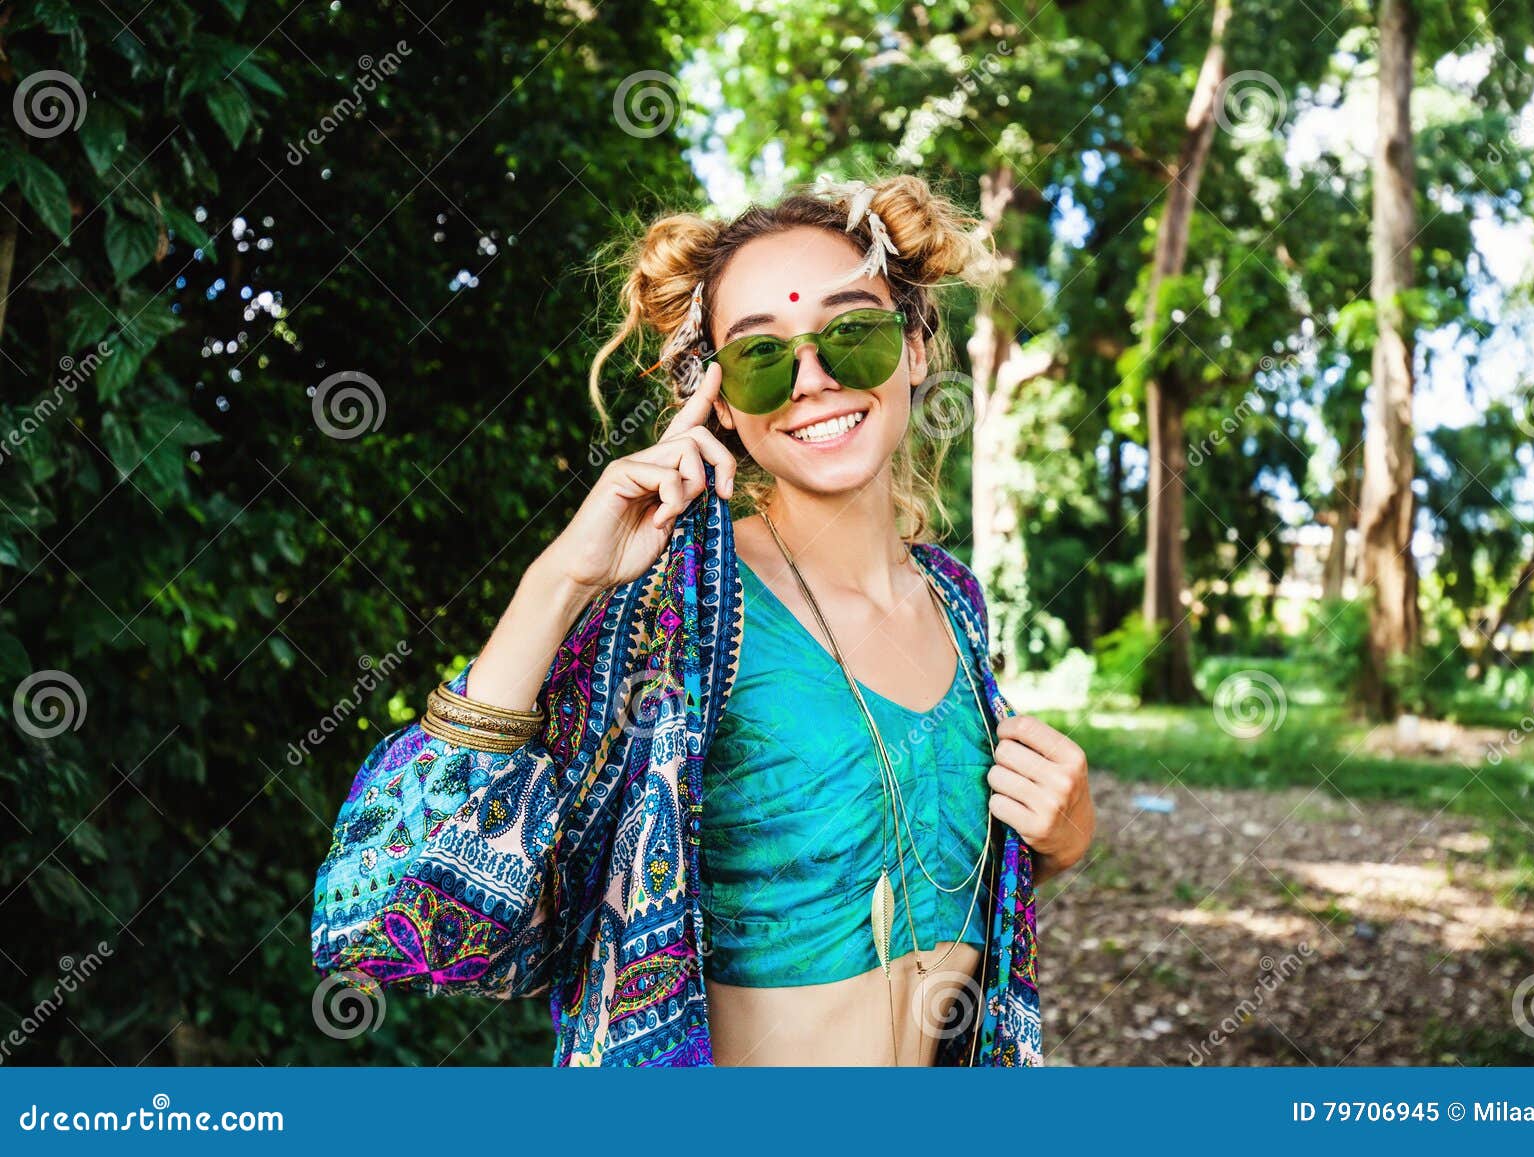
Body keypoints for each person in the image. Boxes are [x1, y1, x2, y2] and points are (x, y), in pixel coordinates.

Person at [311, 173, 1095, 1067]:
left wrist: (1061, 841)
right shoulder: (681, 612)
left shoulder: (955, 600)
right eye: (762, 357)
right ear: (723, 402)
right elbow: (390, 911)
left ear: (916, 347)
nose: (813, 378)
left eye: (854, 333)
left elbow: (954, 874)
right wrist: (561, 578)